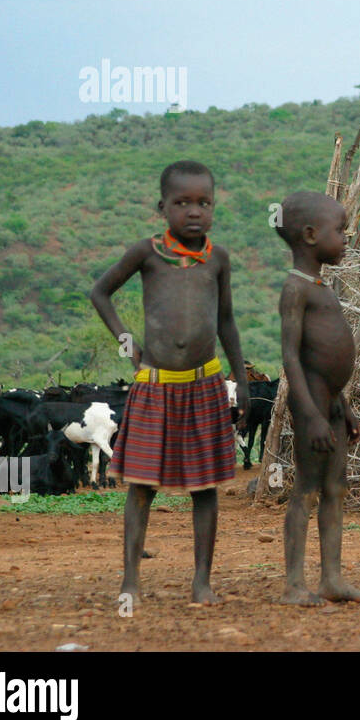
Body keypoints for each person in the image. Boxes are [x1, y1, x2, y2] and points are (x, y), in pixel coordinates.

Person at [90, 160, 247, 606]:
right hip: (155, 384)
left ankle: (202, 582)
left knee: (205, 487)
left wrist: (242, 380)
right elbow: (100, 292)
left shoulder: (218, 259)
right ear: (163, 207)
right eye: (182, 203)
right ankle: (130, 581)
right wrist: (128, 346)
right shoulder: (146, 253)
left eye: (204, 202)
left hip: (206, 384)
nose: (194, 211)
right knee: (141, 485)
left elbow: (228, 322)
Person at [275, 191, 360, 605]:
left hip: (330, 402)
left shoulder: (320, 287)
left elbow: (327, 358)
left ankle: (331, 578)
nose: (347, 238)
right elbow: (290, 356)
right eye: (341, 231)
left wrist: (343, 405)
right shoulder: (296, 290)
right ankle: (294, 584)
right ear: (312, 235)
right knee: (307, 489)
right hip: (311, 404)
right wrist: (311, 415)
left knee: (336, 489)